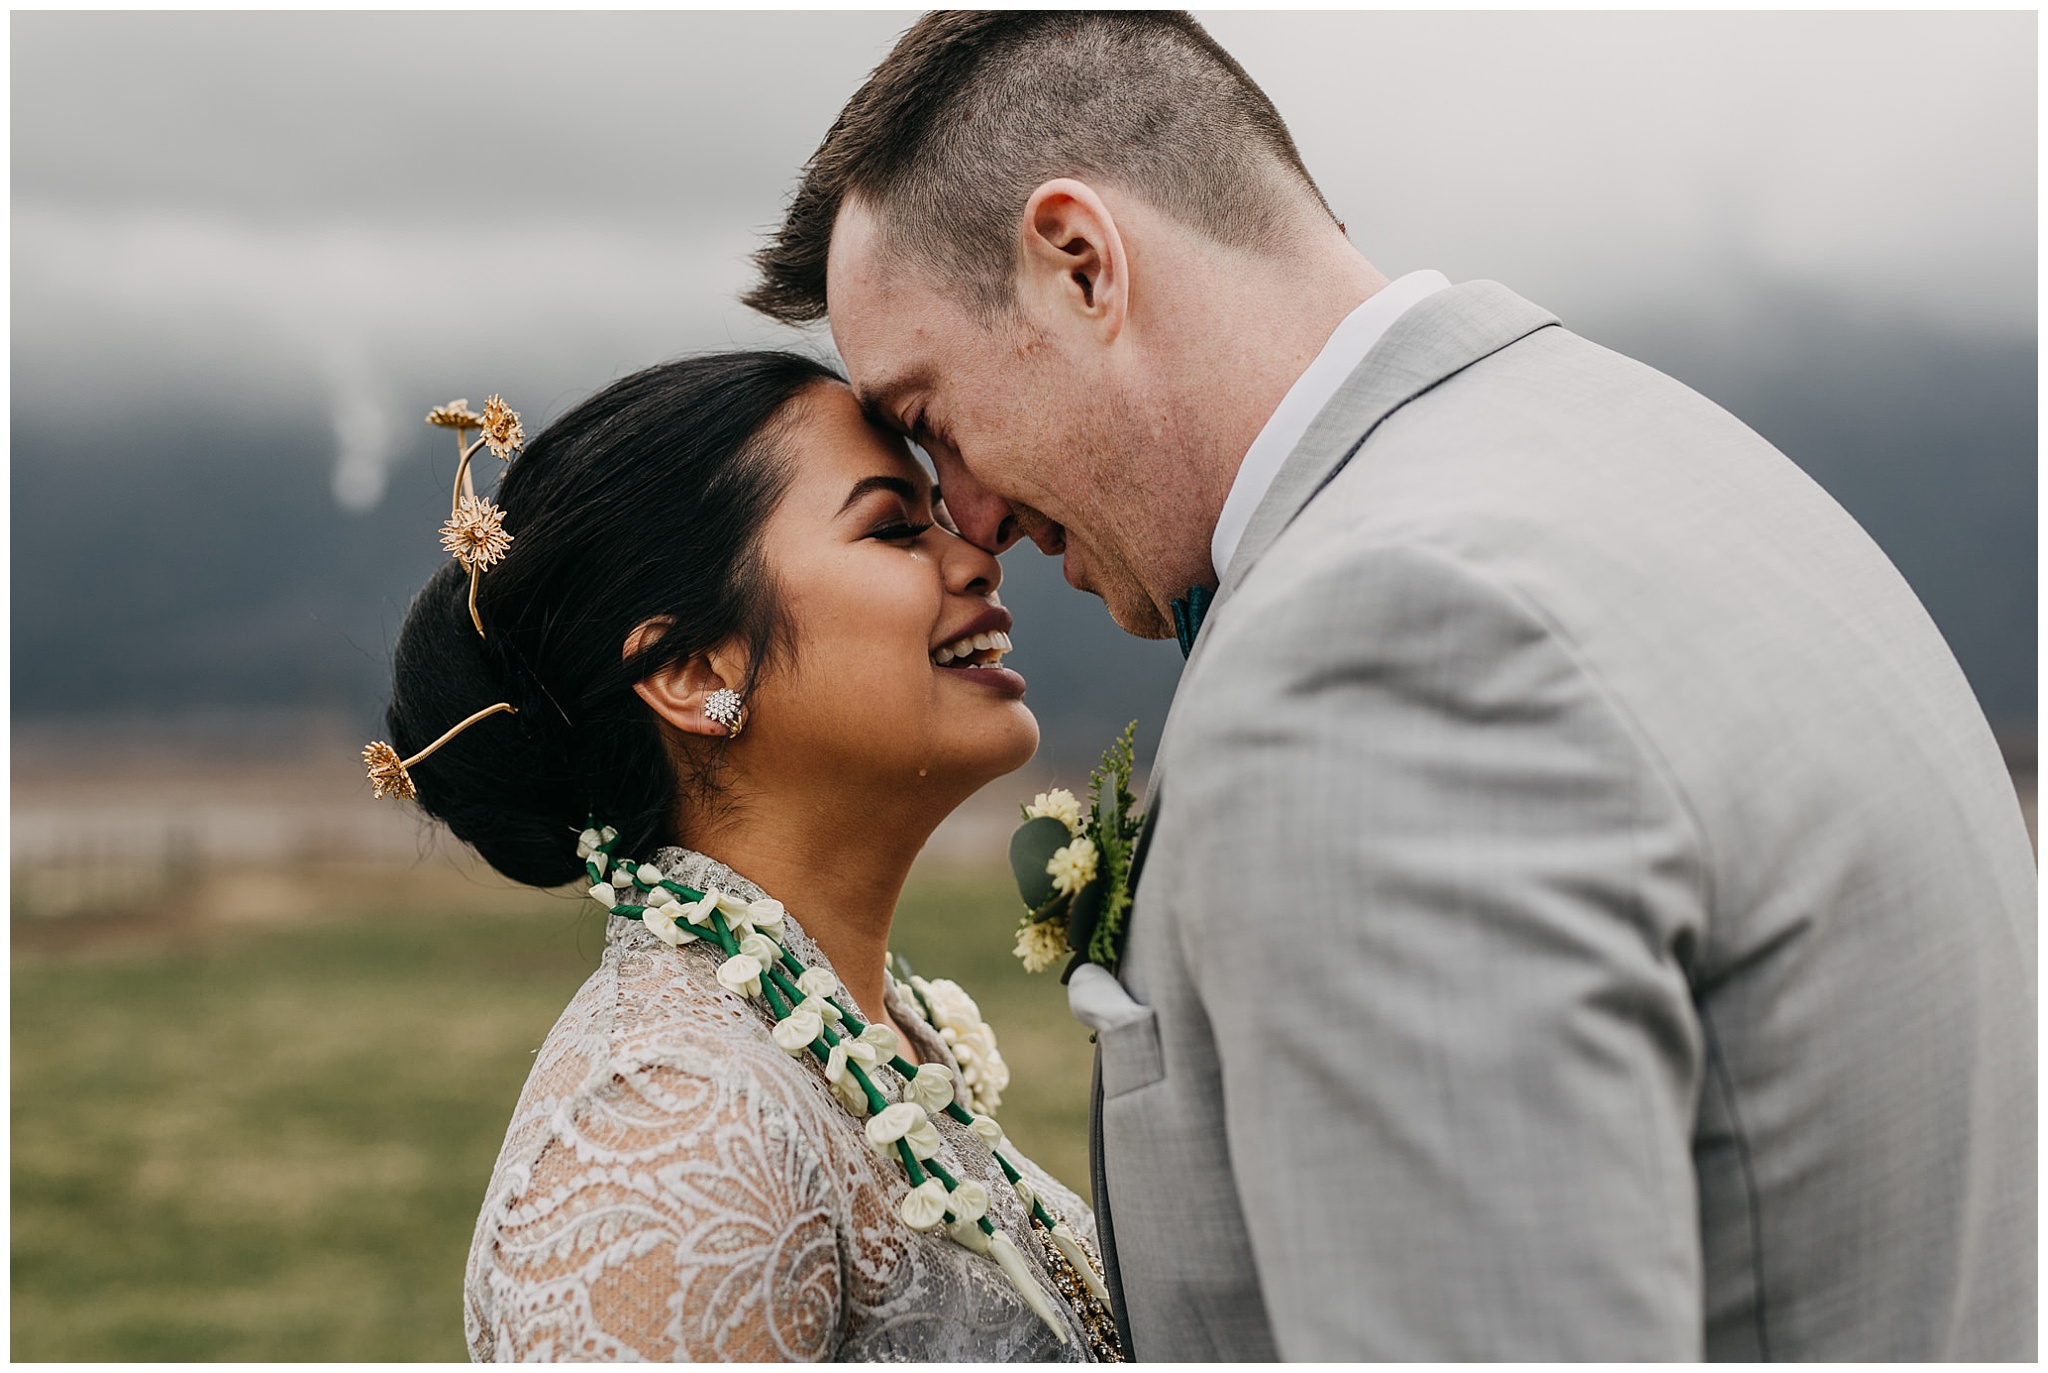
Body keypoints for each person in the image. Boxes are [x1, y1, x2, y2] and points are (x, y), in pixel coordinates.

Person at [744, 10, 2038, 1361]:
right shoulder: (1668, 450)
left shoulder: (1378, 655)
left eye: (935, 416)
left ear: (1080, 264)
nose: (968, 515)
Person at [374, 353, 1121, 1360]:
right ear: (692, 670)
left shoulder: (853, 1027)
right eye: (895, 525)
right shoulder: (671, 1125)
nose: (977, 555)